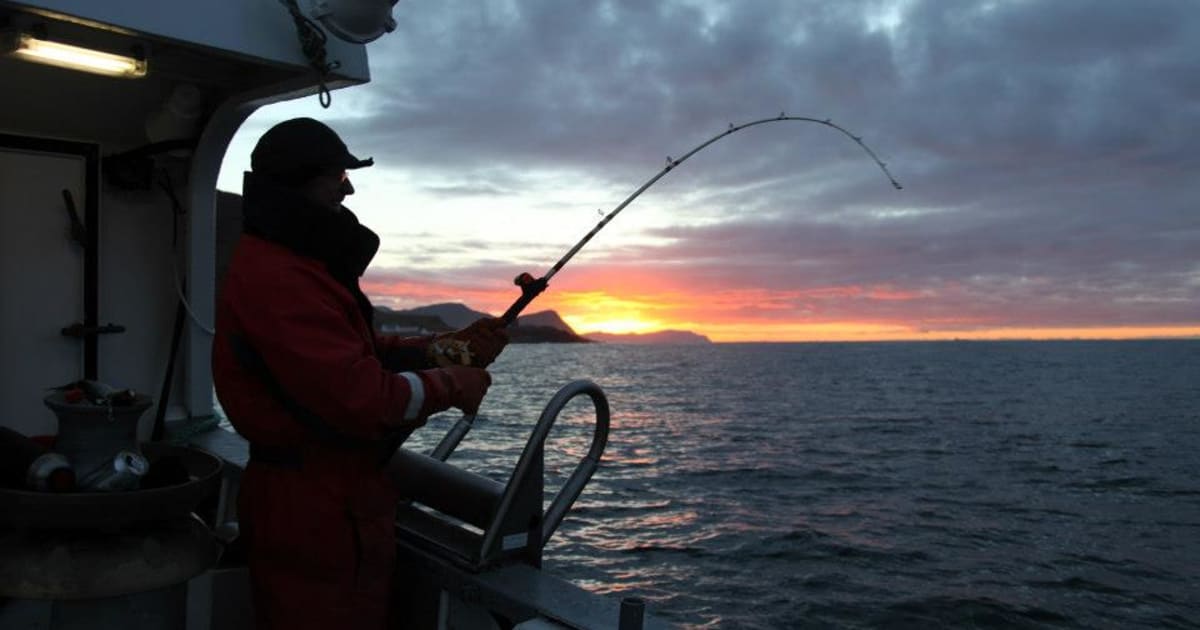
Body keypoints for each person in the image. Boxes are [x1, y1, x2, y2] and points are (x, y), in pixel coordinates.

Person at [212, 117, 508, 629]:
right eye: (338, 176)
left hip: (334, 501)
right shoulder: (280, 277)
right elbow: (360, 398)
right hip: (310, 511)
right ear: (303, 179)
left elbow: (357, 353)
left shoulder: (296, 264)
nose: (347, 190)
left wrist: (441, 350)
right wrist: (453, 383)